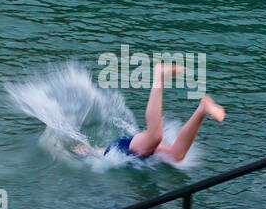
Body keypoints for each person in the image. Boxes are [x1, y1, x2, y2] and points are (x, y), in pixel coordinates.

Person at [77, 62, 225, 163]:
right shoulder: (100, 156)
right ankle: (202, 109)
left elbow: (93, 152)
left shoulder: (108, 155)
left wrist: (84, 151)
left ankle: (160, 76)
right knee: (176, 155)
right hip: (134, 153)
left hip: (125, 149)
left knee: (155, 136)